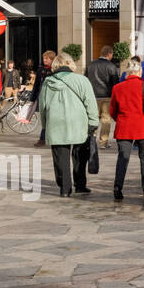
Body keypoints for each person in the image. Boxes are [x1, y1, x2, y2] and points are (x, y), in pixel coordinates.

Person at [38, 53, 99, 197]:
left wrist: (45, 125)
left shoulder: (48, 81)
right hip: (79, 122)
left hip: (56, 122)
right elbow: (90, 102)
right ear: (70, 63)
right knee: (80, 156)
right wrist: (93, 122)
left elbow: (43, 106)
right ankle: (80, 184)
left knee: (60, 157)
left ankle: (65, 188)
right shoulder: (81, 80)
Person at [109, 59, 144, 201]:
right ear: (139, 72)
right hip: (142, 127)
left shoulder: (117, 88)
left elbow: (113, 110)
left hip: (124, 127)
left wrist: (120, 120)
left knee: (122, 159)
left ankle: (117, 187)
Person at [86, 45, 120, 149]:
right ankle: (103, 142)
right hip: (107, 97)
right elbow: (115, 83)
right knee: (106, 120)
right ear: (109, 54)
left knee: (93, 118)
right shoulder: (111, 66)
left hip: (93, 96)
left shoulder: (90, 65)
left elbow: (85, 80)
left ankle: (91, 139)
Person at [31, 50, 56, 147]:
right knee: (45, 118)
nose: (44, 60)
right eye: (44, 58)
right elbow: (36, 85)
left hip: (53, 98)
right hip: (42, 97)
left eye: (47, 58)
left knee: (51, 118)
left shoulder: (55, 69)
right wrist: (32, 99)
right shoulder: (41, 70)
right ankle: (43, 139)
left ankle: (46, 138)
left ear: (52, 59)